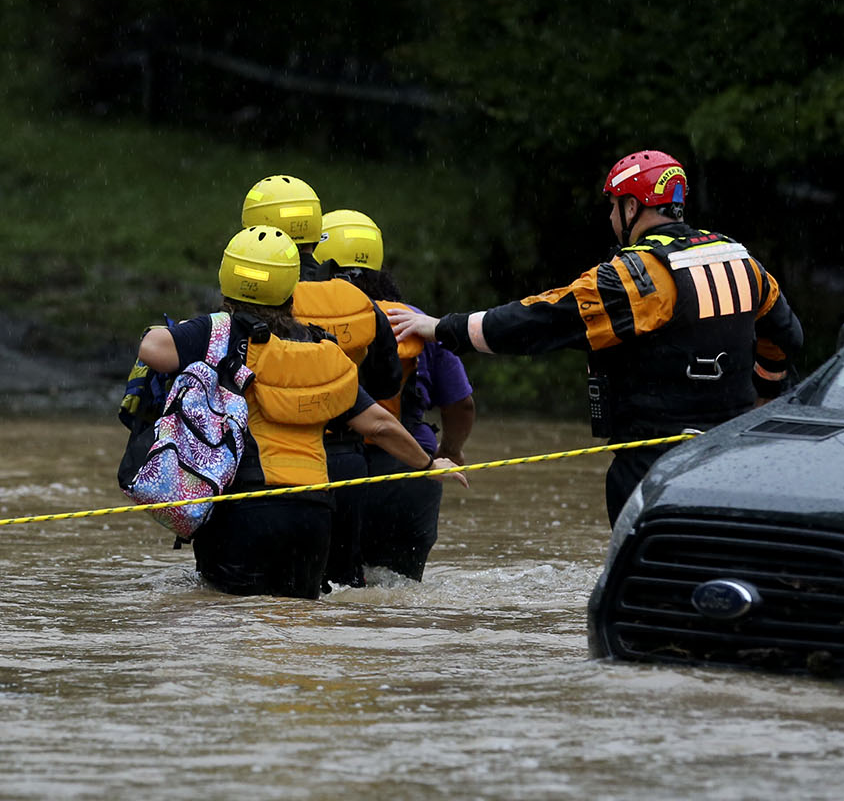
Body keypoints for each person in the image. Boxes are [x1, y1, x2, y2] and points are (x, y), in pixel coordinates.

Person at [388, 150, 804, 523]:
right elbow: (786, 338)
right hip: (730, 455)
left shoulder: (638, 276)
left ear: (631, 206)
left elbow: (541, 319)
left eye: (612, 206)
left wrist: (445, 328)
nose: (609, 218)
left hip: (651, 461)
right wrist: (762, 400)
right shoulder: (740, 260)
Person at [135, 226, 461, 598]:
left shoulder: (221, 333)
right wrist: (427, 465)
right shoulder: (322, 349)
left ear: (227, 276)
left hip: (244, 511)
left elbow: (152, 349)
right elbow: (380, 424)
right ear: (292, 286)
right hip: (313, 514)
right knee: (301, 632)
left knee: (228, 627)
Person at [241, 175, 403, 587]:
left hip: (270, 468)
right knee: (345, 598)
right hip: (349, 461)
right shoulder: (358, 300)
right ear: (316, 229)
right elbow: (386, 385)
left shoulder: (251, 301)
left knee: (257, 597)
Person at [316, 209, 476, 580]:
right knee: (397, 600)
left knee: (331, 595)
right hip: (409, 470)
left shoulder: (305, 322)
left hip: (332, 469)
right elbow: (462, 404)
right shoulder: (418, 321)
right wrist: (449, 451)